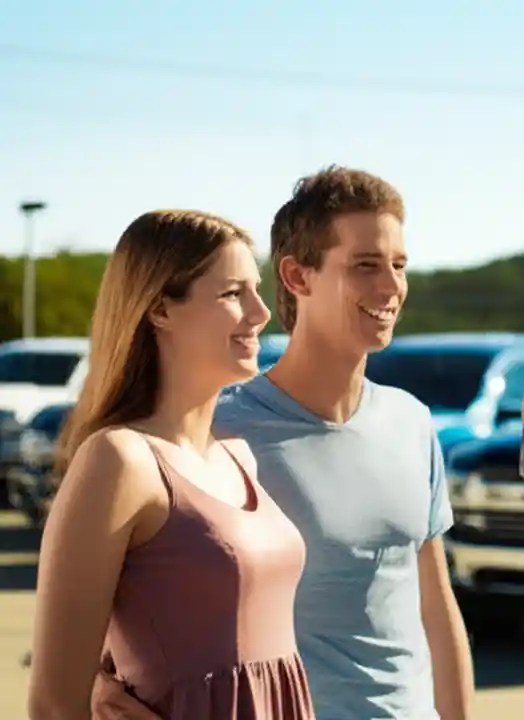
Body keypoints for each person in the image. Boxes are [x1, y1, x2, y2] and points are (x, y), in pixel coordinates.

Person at [28, 210, 315, 719]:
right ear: (160, 308)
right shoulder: (120, 460)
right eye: (232, 293)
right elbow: (53, 705)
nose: (260, 312)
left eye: (257, 290)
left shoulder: (237, 455)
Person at [213, 166, 472, 719]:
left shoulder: (411, 422)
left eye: (399, 265)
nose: (391, 287)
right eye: (365, 265)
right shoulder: (224, 430)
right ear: (297, 276)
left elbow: (434, 606)